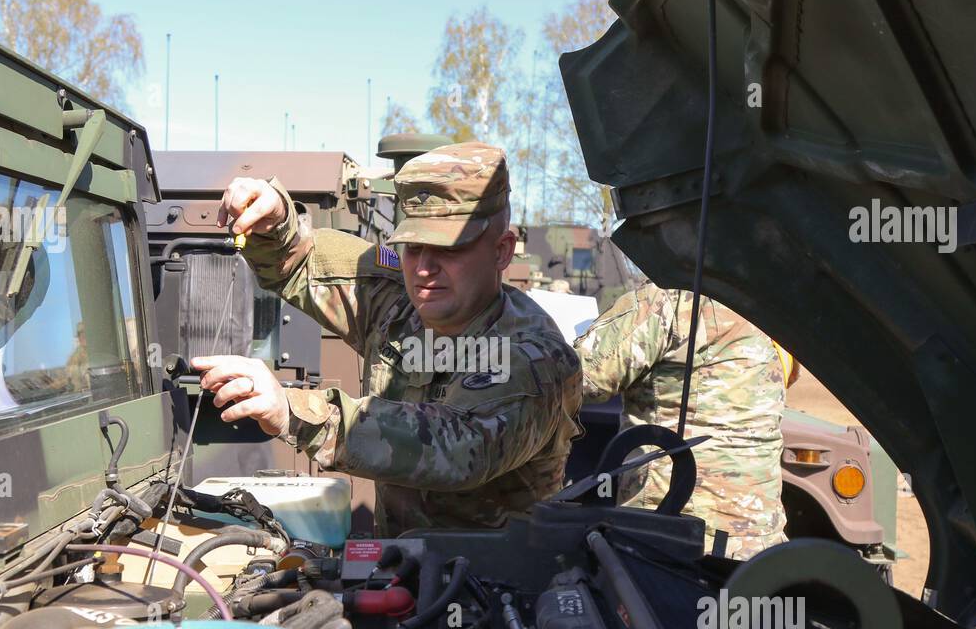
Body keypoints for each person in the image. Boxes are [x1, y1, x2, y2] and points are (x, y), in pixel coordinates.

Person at [192, 142, 583, 536]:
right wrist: (275, 219)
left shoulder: (535, 356)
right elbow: (303, 265)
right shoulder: (398, 301)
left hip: (501, 583)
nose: (425, 268)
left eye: (449, 249)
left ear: (502, 251)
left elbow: (461, 446)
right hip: (401, 572)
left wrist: (295, 411)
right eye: (413, 247)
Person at [574, 281, 787, 559]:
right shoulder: (767, 305)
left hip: (676, 536)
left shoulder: (668, 301)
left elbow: (577, 378)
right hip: (759, 541)